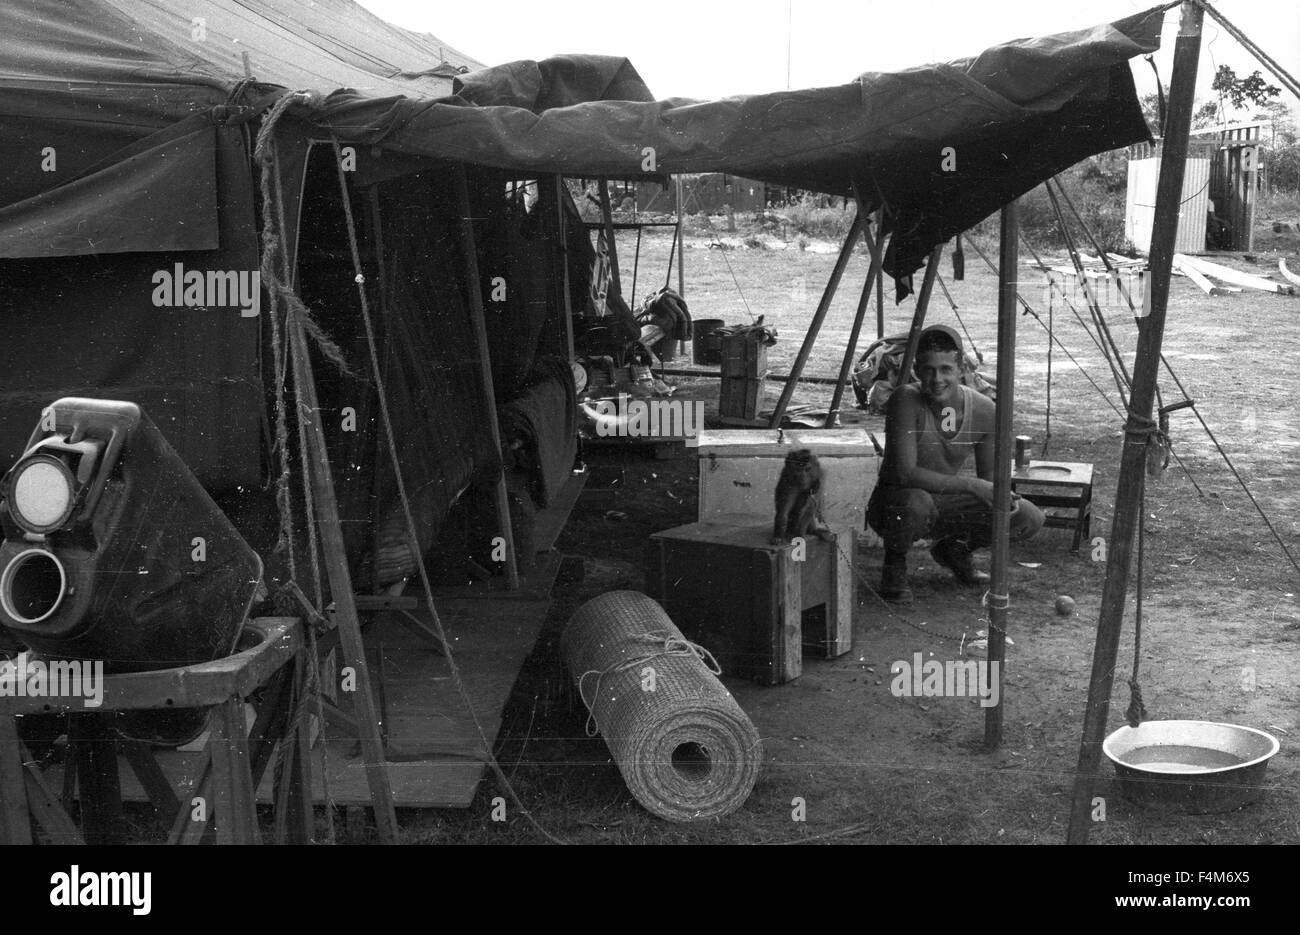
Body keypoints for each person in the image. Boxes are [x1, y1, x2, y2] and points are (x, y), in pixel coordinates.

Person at [867, 324, 1044, 603]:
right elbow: (906, 473)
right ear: (916, 368)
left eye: (946, 369)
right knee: (915, 503)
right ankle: (895, 564)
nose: (937, 378)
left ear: (961, 367)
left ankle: (956, 549)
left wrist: (1000, 496)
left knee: (1027, 516)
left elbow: (990, 479)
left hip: (944, 501)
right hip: (896, 503)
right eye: (928, 369)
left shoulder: (985, 410)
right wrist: (974, 486)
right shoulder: (905, 399)